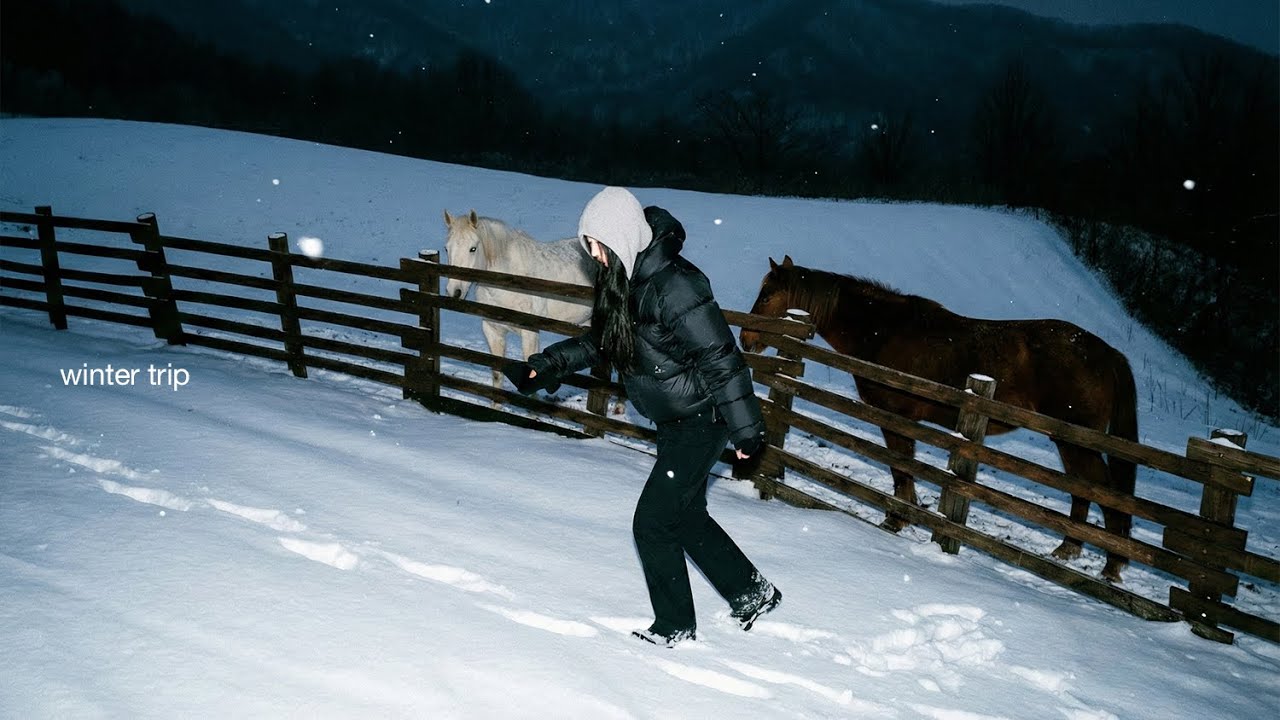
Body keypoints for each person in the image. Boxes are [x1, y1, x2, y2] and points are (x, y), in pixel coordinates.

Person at [502, 186, 781, 647]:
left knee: (652, 523)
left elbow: (721, 359)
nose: (593, 255)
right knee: (685, 516)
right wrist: (546, 365)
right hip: (676, 420)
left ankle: (674, 626)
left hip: (702, 418)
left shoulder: (677, 286)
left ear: (624, 237)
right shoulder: (624, 279)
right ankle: (752, 593)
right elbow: (602, 341)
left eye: (598, 245)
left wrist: (747, 429)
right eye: (588, 244)